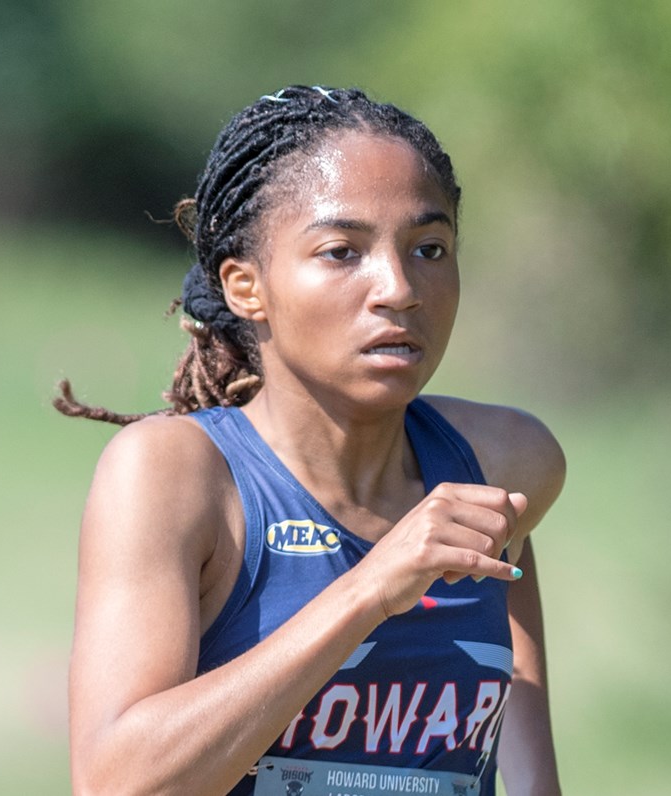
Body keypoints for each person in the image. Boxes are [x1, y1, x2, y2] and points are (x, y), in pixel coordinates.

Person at [56, 85, 565, 796]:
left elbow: (514, 692)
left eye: (429, 247)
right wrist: (370, 589)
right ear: (246, 287)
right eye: (341, 251)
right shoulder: (179, 476)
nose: (399, 287)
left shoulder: (502, 462)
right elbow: (117, 783)